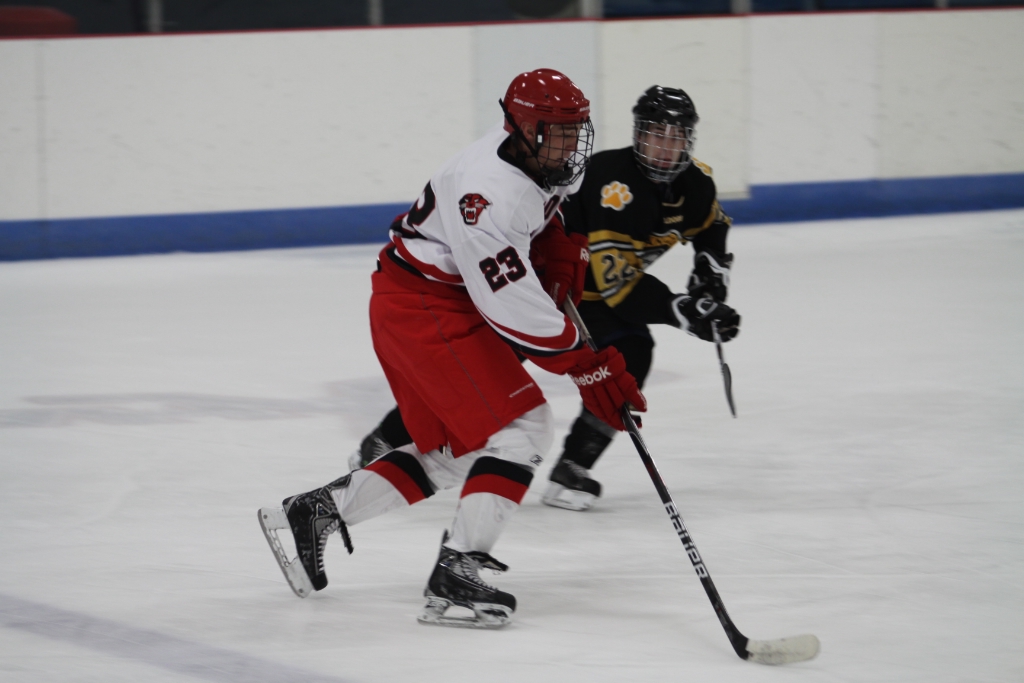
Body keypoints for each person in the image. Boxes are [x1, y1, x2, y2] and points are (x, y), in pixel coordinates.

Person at [258, 69, 646, 629]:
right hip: (424, 307)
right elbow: (512, 309)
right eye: (557, 132)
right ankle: (456, 579)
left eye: (575, 130)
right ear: (523, 127)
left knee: (464, 451)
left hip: (437, 300)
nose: (570, 144)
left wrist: (561, 258)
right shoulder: (485, 194)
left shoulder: (534, 154)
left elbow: (549, 217)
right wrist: (588, 369)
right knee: (522, 428)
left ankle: (316, 513)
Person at [349, 86, 740, 513]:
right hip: (537, 289)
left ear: (690, 141)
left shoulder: (697, 183)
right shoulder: (614, 183)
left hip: (588, 296)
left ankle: (571, 469)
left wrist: (712, 272)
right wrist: (680, 310)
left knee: (634, 352)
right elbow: (618, 284)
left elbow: (711, 225)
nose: (665, 147)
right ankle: (384, 443)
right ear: (638, 135)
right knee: (478, 376)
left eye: (676, 136)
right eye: (656, 135)